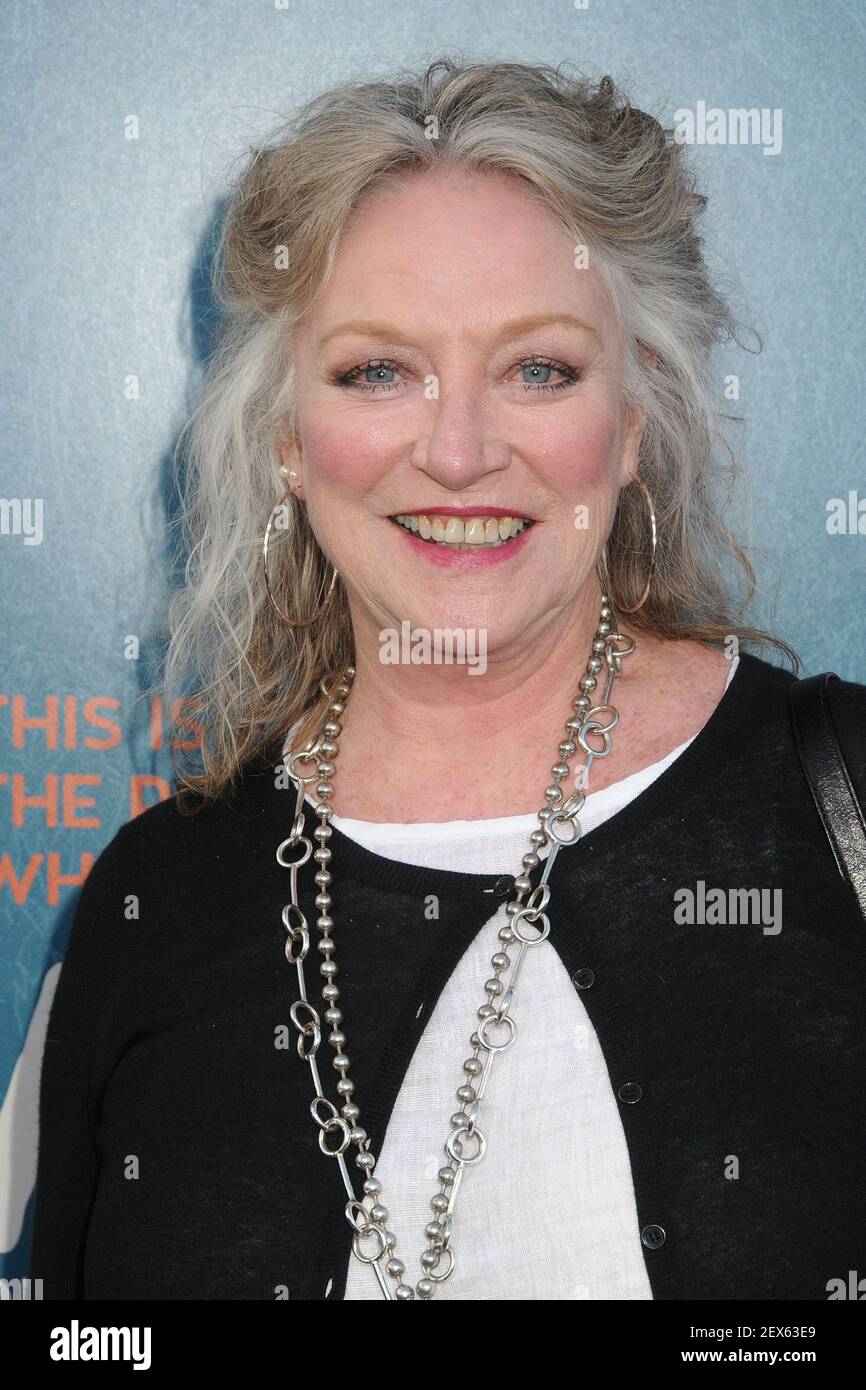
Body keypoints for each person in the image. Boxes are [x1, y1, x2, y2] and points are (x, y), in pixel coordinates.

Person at [30, 58, 866, 1301]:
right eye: (377, 371)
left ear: (633, 422)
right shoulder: (158, 902)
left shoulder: (835, 807)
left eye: (538, 370)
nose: (460, 450)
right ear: (286, 438)